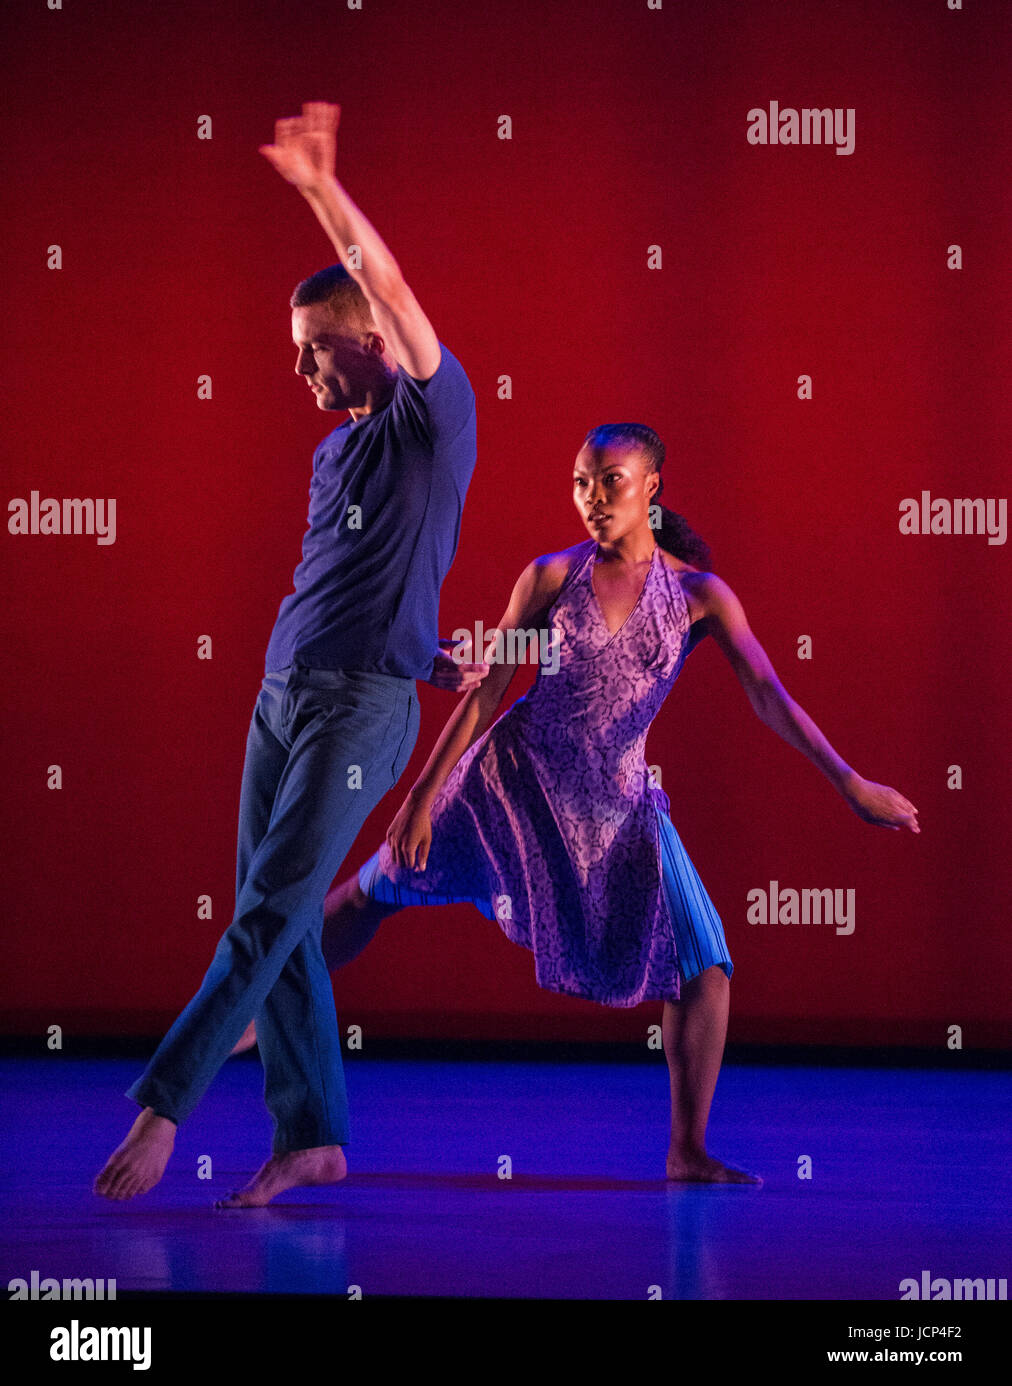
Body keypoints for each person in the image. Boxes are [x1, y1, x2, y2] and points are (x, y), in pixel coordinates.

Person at [238, 420, 921, 1184]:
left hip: (619, 805)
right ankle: (256, 1006)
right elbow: (491, 689)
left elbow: (769, 694)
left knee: (705, 966)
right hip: (514, 785)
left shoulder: (699, 597)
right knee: (372, 893)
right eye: (581, 483)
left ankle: (687, 1150)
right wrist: (422, 796)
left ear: (651, 487)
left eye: (611, 482)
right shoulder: (551, 579)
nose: (592, 499)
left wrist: (849, 780)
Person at [93, 102, 487, 1206]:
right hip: (283, 694)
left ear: (368, 341)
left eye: (317, 348)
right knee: (278, 928)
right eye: (292, 353)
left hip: (361, 712)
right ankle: (311, 1132)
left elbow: (397, 290)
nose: (301, 371)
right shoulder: (332, 455)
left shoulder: (431, 417)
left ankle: (162, 1107)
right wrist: (429, 641)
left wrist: (319, 188)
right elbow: (361, 581)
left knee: (268, 916)